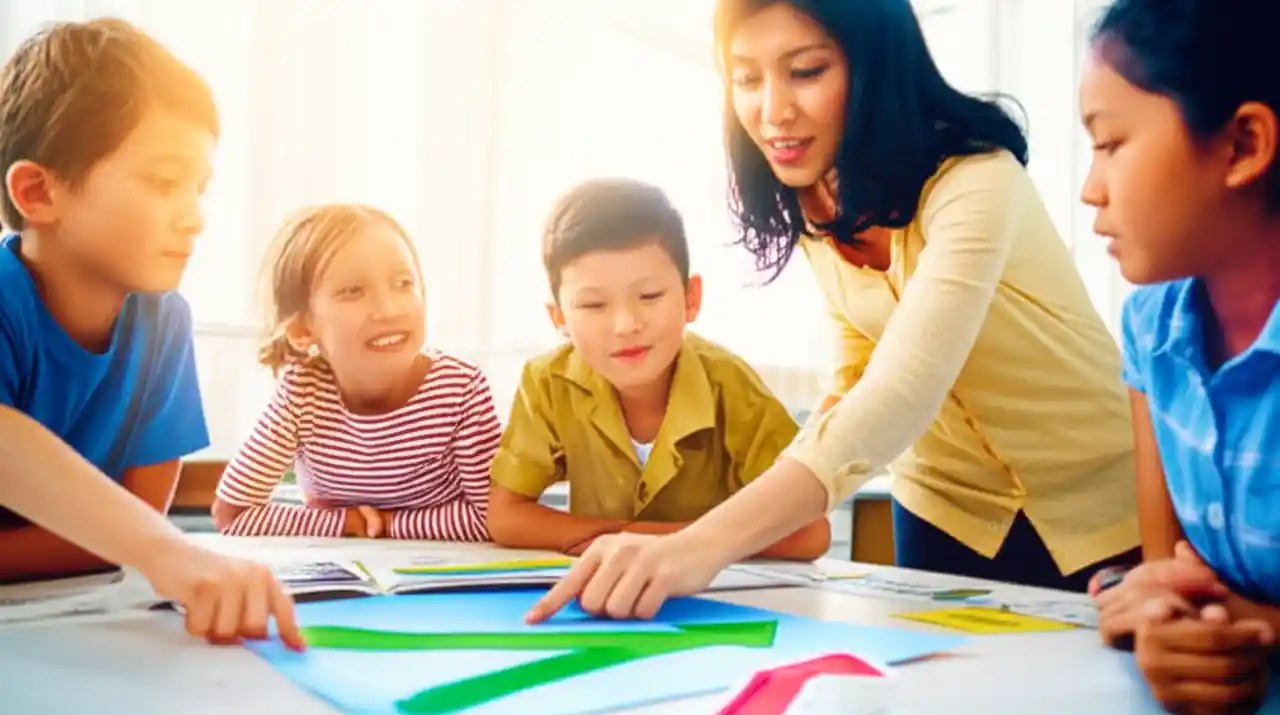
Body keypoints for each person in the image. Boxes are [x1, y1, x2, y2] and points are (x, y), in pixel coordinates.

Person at [527, 0, 1139, 623]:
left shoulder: (979, 179)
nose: (772, 113)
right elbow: (852, 378)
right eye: (746, 78)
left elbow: (902, 389)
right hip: (946, 509)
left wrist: (697, 545)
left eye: (805, 71)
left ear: (874, 68)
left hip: (1095, 505)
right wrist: (755, 502)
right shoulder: (813, 201)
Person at [0, 18, 301, 648]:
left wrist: (148, 546)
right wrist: (155, 549)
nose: (194, 217)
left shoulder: (164, 321)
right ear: (37, 191)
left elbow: (144, 520)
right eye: (164, 183)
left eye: (200, 188)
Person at [1080, 1, 1280, 715]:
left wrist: (1255, 629)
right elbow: (1164, 574)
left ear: (1242, 145)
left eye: (1109, 144)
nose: (1089, 189)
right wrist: (1162, 622)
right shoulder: (1151, 327)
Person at [487, 179, 828, 559]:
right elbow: (506, 517)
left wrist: (662, 546)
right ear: (559, 316)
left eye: (649, 296)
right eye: (594, 305)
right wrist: (647, 541)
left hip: (717, 595)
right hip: (603, 597)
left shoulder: (730, 385)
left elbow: (809, 533)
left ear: (690, 297)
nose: (625, 325)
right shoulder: (547, 381)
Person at [213, 205, 501, 540]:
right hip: (345, 573)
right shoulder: (302, 390)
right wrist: (347, 524)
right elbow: (233, 513)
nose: (388, 309)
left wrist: (382, 525)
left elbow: (494, 518)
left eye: (403, 283)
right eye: (352, 291)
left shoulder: (461, 387)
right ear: (302, 328)